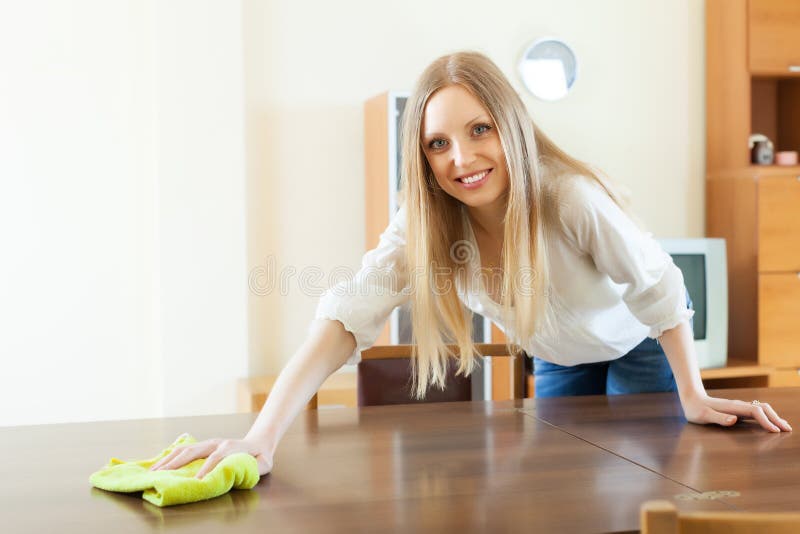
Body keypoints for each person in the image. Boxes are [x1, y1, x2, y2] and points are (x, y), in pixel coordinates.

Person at [149, 51, 791, 479]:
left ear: (510, 126)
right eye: (438, 143)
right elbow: (347, 314)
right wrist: (260, 439)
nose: (461, 158)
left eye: (479, 129)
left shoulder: (569, 198)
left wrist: (694, 394)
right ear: (423, 156)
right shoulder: (424, 225)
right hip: (559, 359)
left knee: (651, 477)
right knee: (565, 485)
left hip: (638, 345)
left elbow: (658, 286)